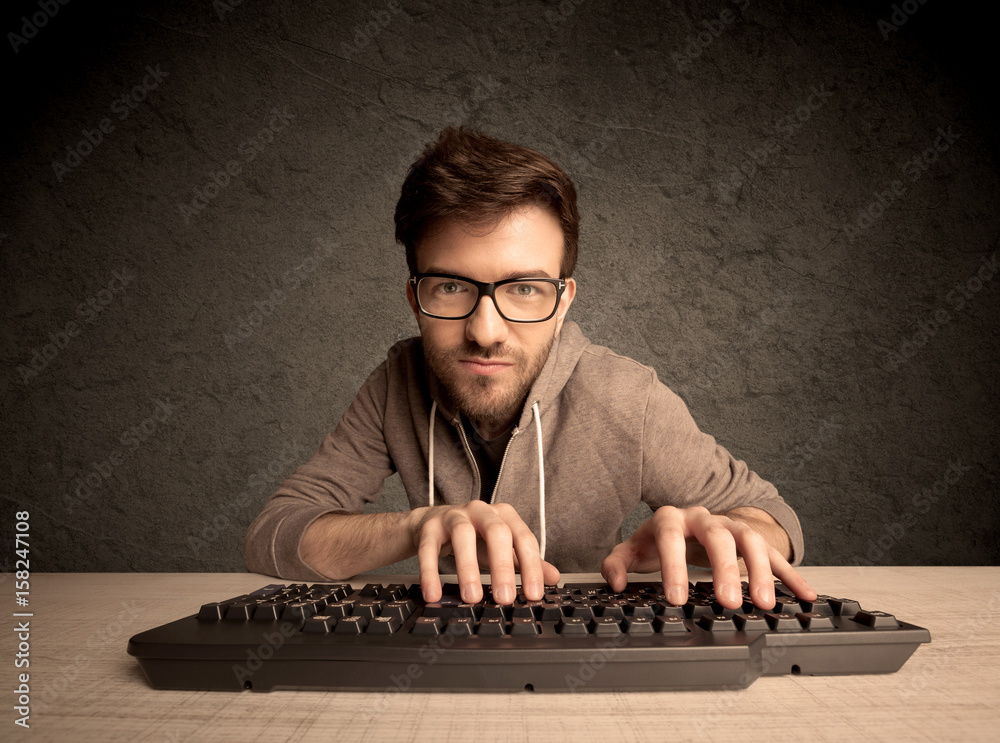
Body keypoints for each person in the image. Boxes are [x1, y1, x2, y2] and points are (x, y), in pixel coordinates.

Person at [243, 126, 816, 610]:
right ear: (415, 296)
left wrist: (729, 536)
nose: (485, 331)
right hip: (449, 655)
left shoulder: (627, 397)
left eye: (523, 289)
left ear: (564, 299)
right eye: (450, 286)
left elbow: (775, 521)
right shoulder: (397, 384)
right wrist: (417, 526)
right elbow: (274, 536)